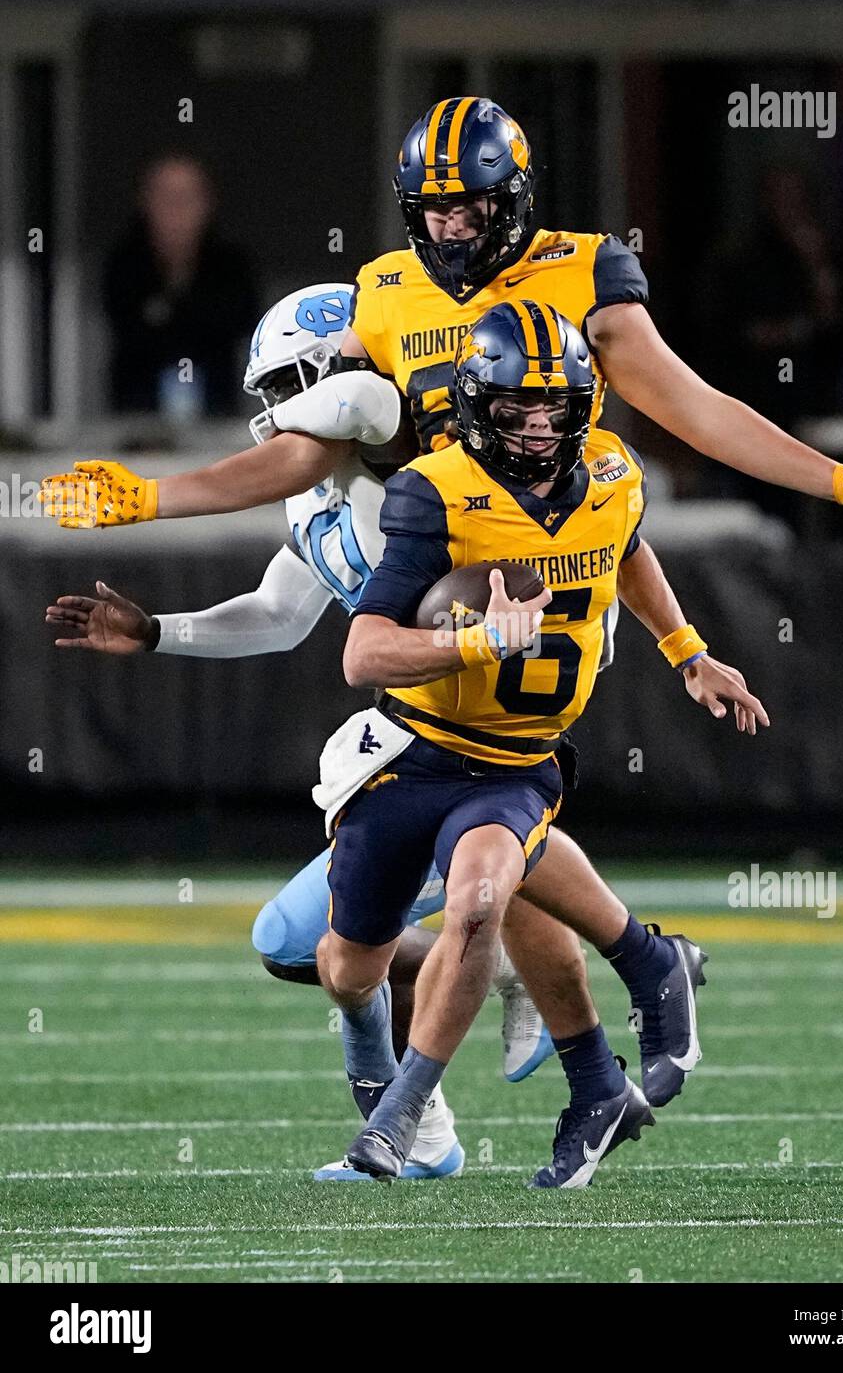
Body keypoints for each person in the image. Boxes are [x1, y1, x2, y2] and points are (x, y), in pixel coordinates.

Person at [44, 283, 557, 1183]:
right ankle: (471, 1033)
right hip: (412, 737)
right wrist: (160, 631)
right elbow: (280, 617)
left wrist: (145, 497)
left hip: (480, 739)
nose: (273, 413)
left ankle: (461, 1063)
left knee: (372, 935)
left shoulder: (387, 428)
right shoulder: (318, 492)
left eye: (287, 385)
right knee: (293, 945)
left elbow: (356, 400)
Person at [315, 299, 767, 1184]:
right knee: (343, 967)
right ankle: (641, 966)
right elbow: (362, 652)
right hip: (416, 749)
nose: (538, 426)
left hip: (517, 763)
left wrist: (689, 651)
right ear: (477, 408)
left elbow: (624, 547)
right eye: (517, 409)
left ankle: (400, 1117)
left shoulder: (609, 471)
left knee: (483, 896)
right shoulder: (435, 488)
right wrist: (473, 641)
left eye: (556, 408)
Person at [43, 98, 843, 527]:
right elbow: (311, 445)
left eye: (468, 204)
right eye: (433, 206)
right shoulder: (386, 287)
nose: (450, 222)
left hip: (547, 539)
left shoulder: (582, 268)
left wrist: (834, 479)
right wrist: (154, 497)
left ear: (511, 198)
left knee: (462, 835)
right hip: (425, 544)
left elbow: (691, 405)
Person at [103, 155, 259, 416]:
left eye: (186, 199)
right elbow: (129, 327)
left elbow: (237, 322)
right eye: (167, 199)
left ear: (207, 204)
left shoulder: (232, 266)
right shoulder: (124, 266)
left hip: (217, 414)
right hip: (137, 415)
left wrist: (169, 312)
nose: (176, 211)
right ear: (145, 202)